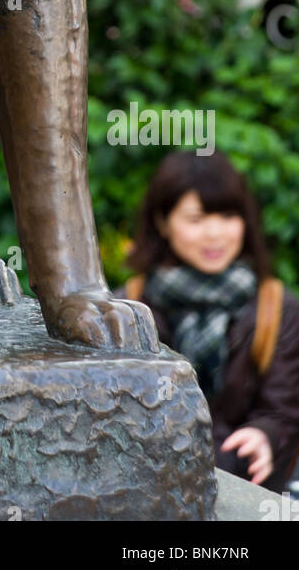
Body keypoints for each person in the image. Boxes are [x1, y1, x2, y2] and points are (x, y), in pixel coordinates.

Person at [119, 150, 299, 492]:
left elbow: (285, 409)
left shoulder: (277, 309)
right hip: (148, 489)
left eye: (228, 216)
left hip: (245, 485)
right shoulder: (127, 308)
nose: (215, 233)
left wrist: (266, 436)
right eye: (197, 218)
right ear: (163, 221)